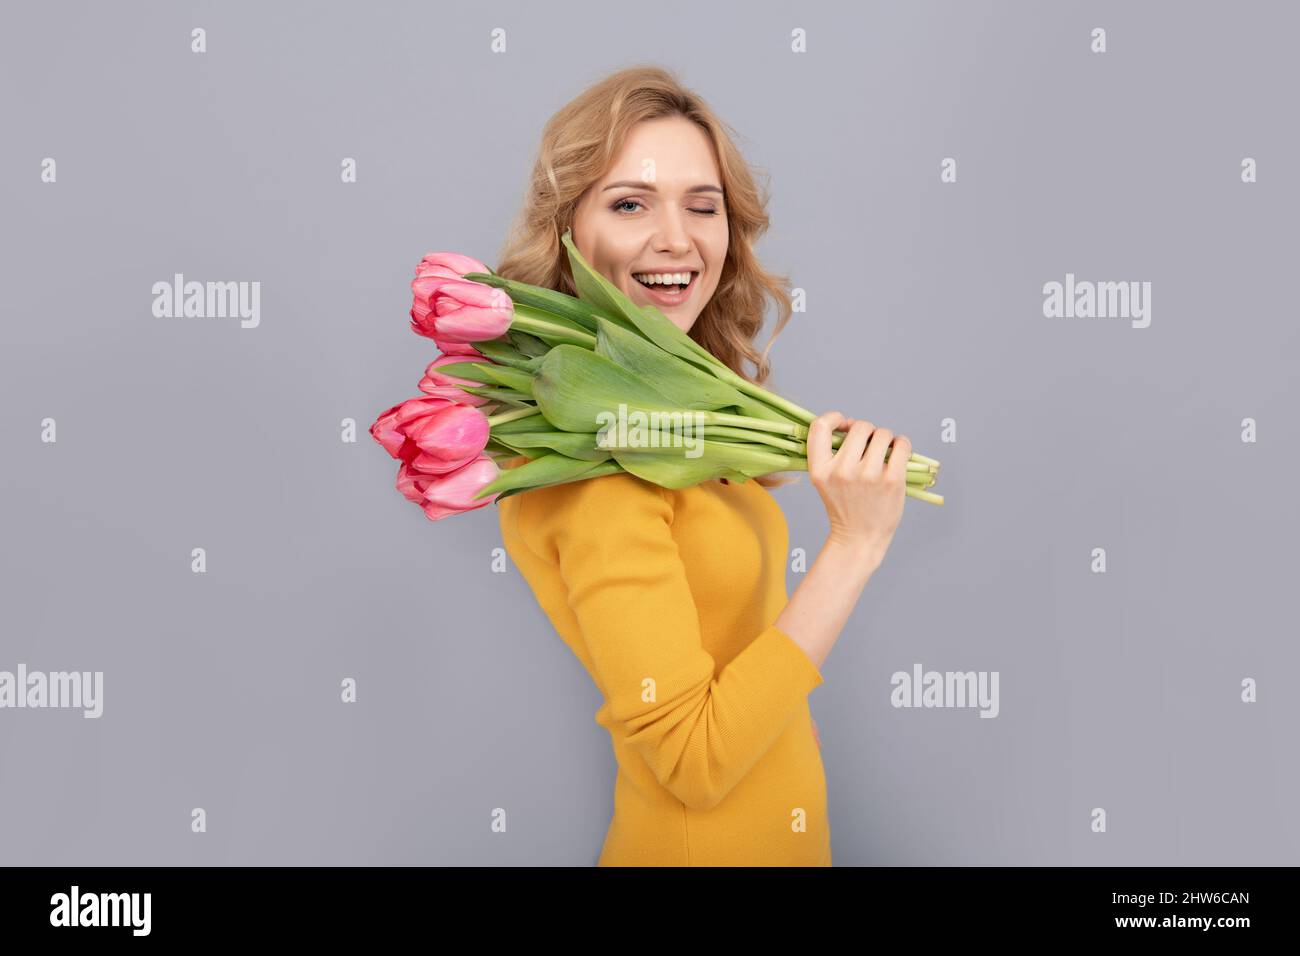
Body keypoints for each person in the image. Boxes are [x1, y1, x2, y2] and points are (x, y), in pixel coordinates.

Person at [493, 65, 912, 866]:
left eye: (702, 205)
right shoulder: (598, 477)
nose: (677, 238)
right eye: (629, 204)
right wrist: (855, 547)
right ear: (567, 233)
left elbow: (747, 660)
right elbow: (694, 763)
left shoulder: (666, 428)